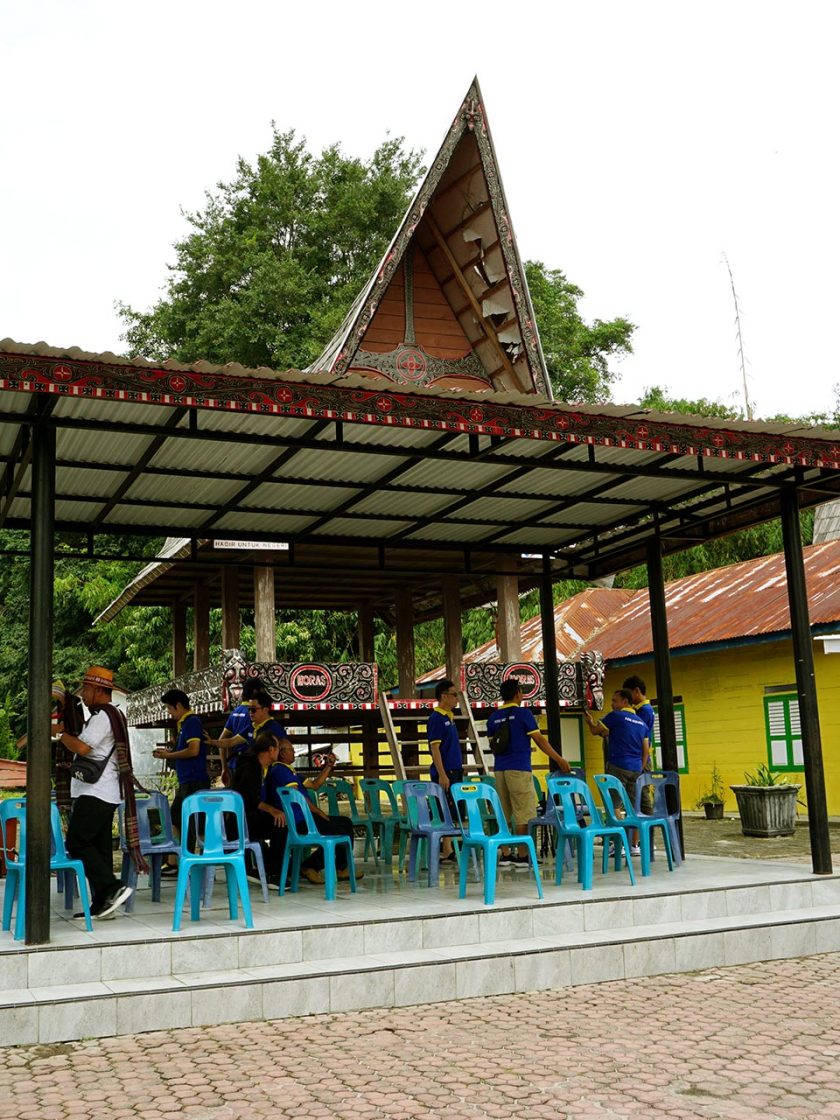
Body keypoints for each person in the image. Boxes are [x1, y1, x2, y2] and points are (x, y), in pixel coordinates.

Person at [57, 666, 143, 920]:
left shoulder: (103, 716)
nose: (82, 694)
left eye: (85, 689)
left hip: (96, 792)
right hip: (107, 792)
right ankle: (103, 905)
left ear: (96, 690)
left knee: (76, 842)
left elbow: (83, 748)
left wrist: (60, 734)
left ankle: (111, 887)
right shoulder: (112, 714)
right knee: (100, 848)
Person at [486, 680, 571, 868]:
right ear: (517, 693)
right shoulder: (523, 714)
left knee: (505, 812)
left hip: (499, 769)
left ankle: (506, 853)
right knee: (524, 813)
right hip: (519, 769)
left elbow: (494, 746)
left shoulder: (493, 718)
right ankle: (523, 855)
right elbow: (540, 741)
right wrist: (559, 759)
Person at [259, 737, 360, 886]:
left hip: (307, 818)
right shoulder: (279, 770)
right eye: (291, 750)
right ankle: (311, 865)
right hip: (299, 820)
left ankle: (341, 867)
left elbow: (314, 785)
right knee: (340, 832)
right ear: (282, 753)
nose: (294, 752)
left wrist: (329, 766)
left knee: (346, 823)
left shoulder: (290, 771)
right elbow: (298, 798)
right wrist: (319, 813)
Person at [583, 688, 649, 853]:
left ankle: (619, 844)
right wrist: (639, 768)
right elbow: (645, 750)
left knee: (614, 806)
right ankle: (634, 846)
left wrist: (589, 721)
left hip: (618, 767)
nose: (612, 704)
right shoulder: (641, 722)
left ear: (624, 702)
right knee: (634, 809)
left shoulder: (616, 716)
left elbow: (596, 731)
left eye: (614, 701)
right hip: (636, 769)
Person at [153, 688, 210, 868]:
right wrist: (171, 753)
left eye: (169, 709)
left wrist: (169, 756)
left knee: (195, 822)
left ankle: (200, 860)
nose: (169, 713)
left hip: (195, 780)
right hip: (186, 780)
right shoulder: (184, 725)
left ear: (178, 706)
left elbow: (194, 750)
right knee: (176, 816)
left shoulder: (192, 722)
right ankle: (176, 860)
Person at [203, 677, 267, 783]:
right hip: (250, 766)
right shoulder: (255, 715)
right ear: (256, 691)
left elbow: (222, 740)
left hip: (233, 764)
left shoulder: (234, 713)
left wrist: (224, 768)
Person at [426, 679, 463, 861]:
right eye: (454, 695)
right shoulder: (436, 719)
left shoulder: (450, 717)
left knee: (451, 809)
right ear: (444, 696)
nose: (457, 699)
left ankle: (448, 848)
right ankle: (444, 848)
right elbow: (435, 749)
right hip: (445, 771)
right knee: (443, 810)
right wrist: (441, 774)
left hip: (455, 769)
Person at [623, 674, 655, 814]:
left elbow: (637, 734)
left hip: (642, 758)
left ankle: (649, 831)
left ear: (636, 691)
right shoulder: (642, 710)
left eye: (628, 694)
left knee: (642, 796)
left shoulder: (644, 711)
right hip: (640, 758)